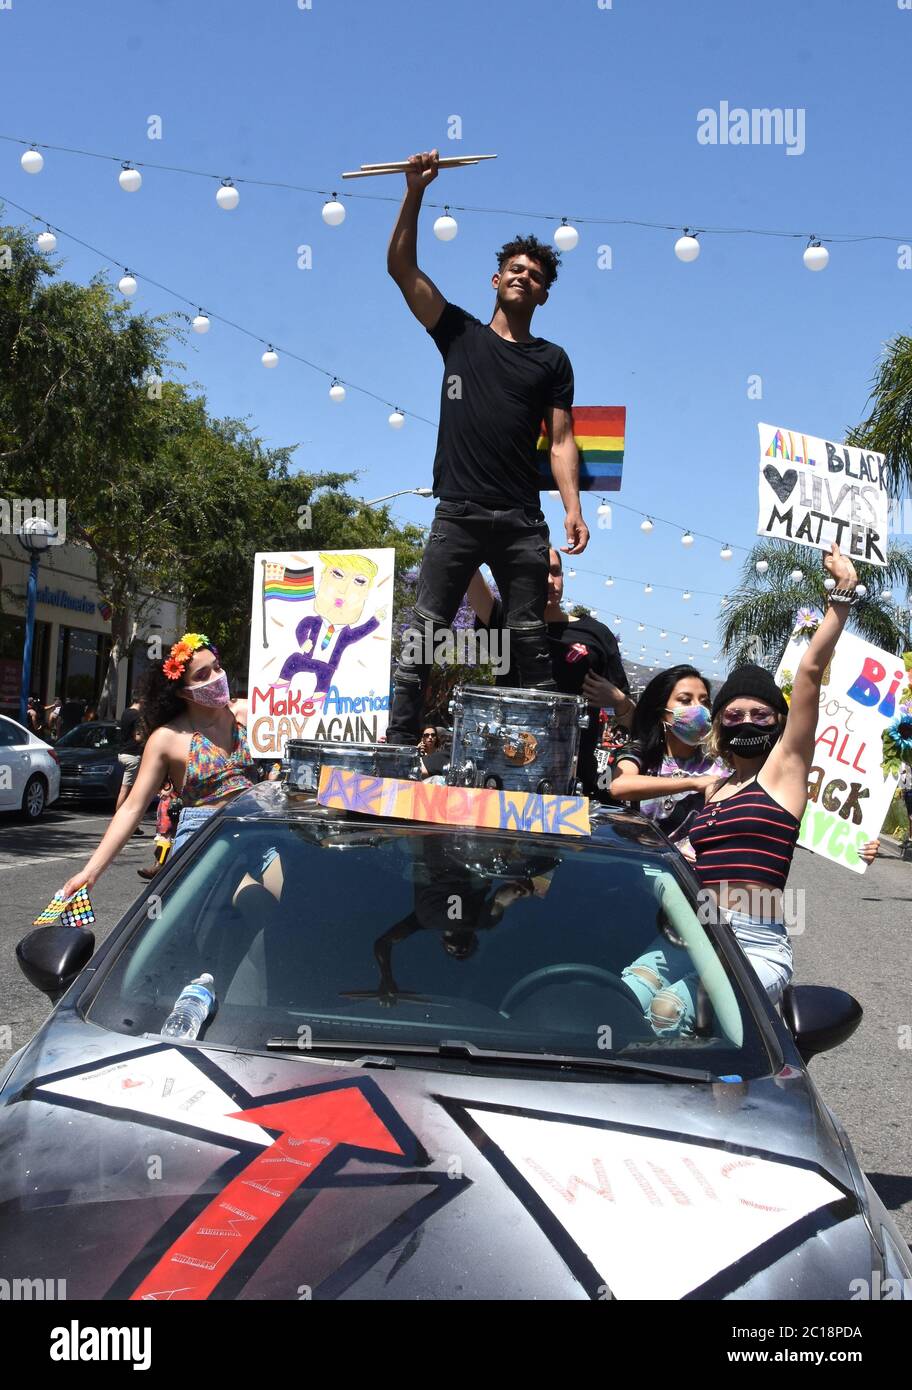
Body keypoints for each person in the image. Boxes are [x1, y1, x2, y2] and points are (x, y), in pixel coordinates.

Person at [621, 544, 878, 1037]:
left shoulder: (783, 772)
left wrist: (841, 595)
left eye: (760, 714)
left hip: (754, 943)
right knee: (622, 994)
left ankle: (728, 1101)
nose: (746, 722)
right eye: (734, 715)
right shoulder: (715, 785)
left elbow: (808, 675)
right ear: (719, 723)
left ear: (780, 722)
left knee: (676, 1012)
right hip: (689, 932)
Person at [385, 148, 589, 746]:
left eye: (537, 274)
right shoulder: (459, 334)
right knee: (424, 631)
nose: (524, 276)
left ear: (544, 293)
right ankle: (398, 746)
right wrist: (415, 190)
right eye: (515, 269)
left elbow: (562, 440)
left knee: (528, 638)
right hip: (459, 512)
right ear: (496, 280)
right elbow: (402, 268)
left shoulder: (552, 359)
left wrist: (572, 507)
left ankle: (541, 761)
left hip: (524, 520)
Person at [61, 633, 267, 899]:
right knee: (207, 925)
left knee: (274, 907)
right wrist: (90, 872)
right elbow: (133, 807)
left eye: (217, 667)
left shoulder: (251, 714)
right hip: (203, 840)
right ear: (182, 691)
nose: (216, 677)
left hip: (256, 829)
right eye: (202, 675)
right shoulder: (166, 739)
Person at [468, 548, 635, 798]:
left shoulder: (597, 634)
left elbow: (632, 721)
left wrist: (619, 702)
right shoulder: (506, 623)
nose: (549, 580)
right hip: (506, 779)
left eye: (555, 572)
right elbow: (469, 570)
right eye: (538, 572)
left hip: (574, 784)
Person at [608, 665, 726, 849]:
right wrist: (693, 783)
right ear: (661, 711)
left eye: (704, 702)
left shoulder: (719, 765)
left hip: (685, 873)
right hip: (634, 863)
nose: (699, 709)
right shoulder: (639, 753)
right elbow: (620, 786)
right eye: (685, 700)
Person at [117, 692, 148, 836]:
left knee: (128, 791)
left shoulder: (126, 712)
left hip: (123, 753)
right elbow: (138, 736)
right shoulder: (137, 716)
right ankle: (119, 824)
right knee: (127, 791)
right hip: (133, 756)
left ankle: (132, 825)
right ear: (141, 700)